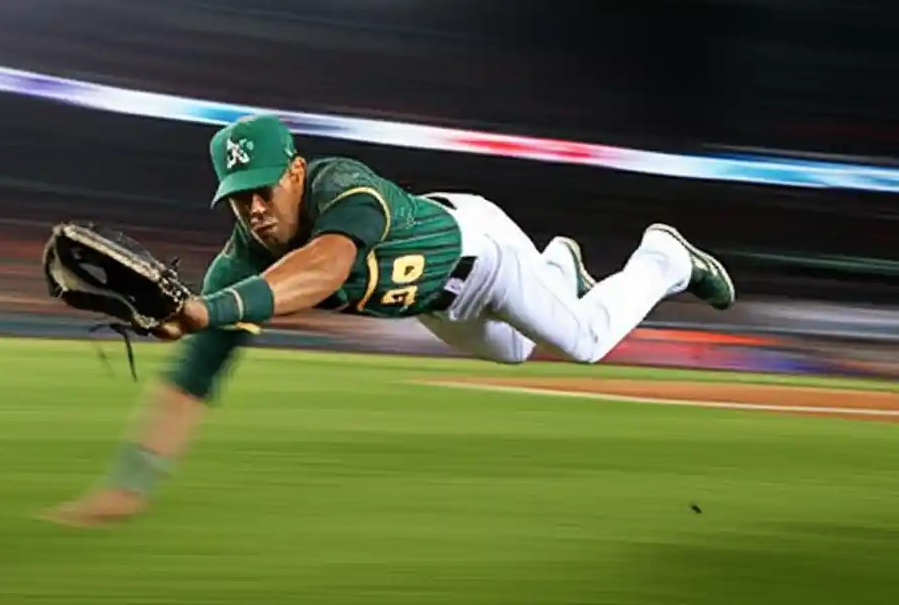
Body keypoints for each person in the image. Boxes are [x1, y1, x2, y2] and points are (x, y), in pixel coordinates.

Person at [44, 113, 734, 528]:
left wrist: (206, 308)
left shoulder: (345, 187)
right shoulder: (238, 264)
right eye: (235, 198)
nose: (251, 208)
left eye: (261, 189)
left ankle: (663, 258)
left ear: (296, 172)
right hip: (440, 301)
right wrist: (128, 484)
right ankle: (559, 267)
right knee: (519, 352)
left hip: (479, 249)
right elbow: (193, 377)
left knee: (583, 341)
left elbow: (325, 269)